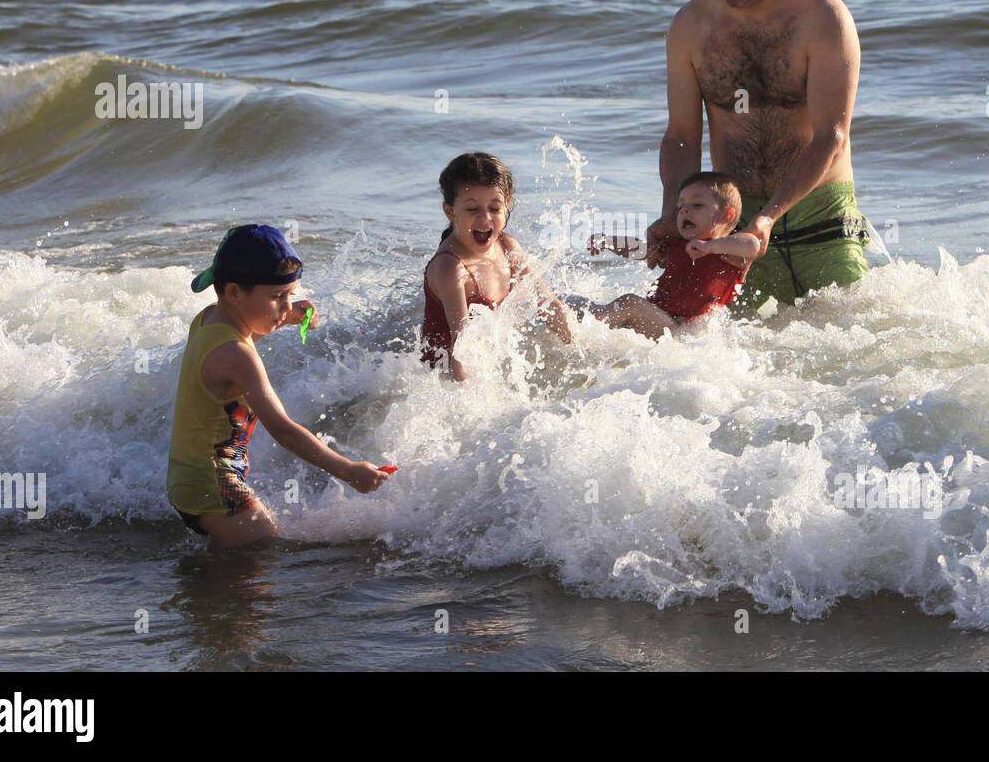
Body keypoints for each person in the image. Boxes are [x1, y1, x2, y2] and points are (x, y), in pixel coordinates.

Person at [647, 0, 871, 306]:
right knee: (747, 353)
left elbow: (832, 136)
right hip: (733, 220)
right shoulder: (690, 28)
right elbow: (681, 136)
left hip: (819, 213)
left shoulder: (822, 16)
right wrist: (672, 212)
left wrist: (768, 218)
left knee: (851, 343)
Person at [168, 224, 389, 548]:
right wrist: (348, 470)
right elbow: (282, 430)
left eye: (291, 295)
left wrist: (288, 316)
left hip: (188, 479)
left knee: (233, 572)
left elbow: (246, 323)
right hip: (215, 486)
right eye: (277, 297)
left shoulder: (207, 319)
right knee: (264, 558)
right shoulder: (238, 356)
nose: (286, 307)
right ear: (233, 292)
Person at [422, 152, 573, 379]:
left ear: (507, 205)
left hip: (489, 363)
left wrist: (579, 350)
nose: (485, 219)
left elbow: (549, 304)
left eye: (494, 208)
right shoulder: (451, 268)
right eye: (472, 210)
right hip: (440, 377)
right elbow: (463, 347)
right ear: (450, 211)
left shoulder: (508, 247)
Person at [587, 172, 758, 339]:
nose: (684, 211)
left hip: (685, 332)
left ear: (727, 215)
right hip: (660, 319)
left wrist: (710, 247)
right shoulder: (678, 245)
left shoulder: (730, 253)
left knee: (629, 303)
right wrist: (608, 241)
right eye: (680, 206)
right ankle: (582, 323)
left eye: (697, 205)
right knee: (583, 303)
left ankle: (585, 333)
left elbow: (753, 244)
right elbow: (642, 250)